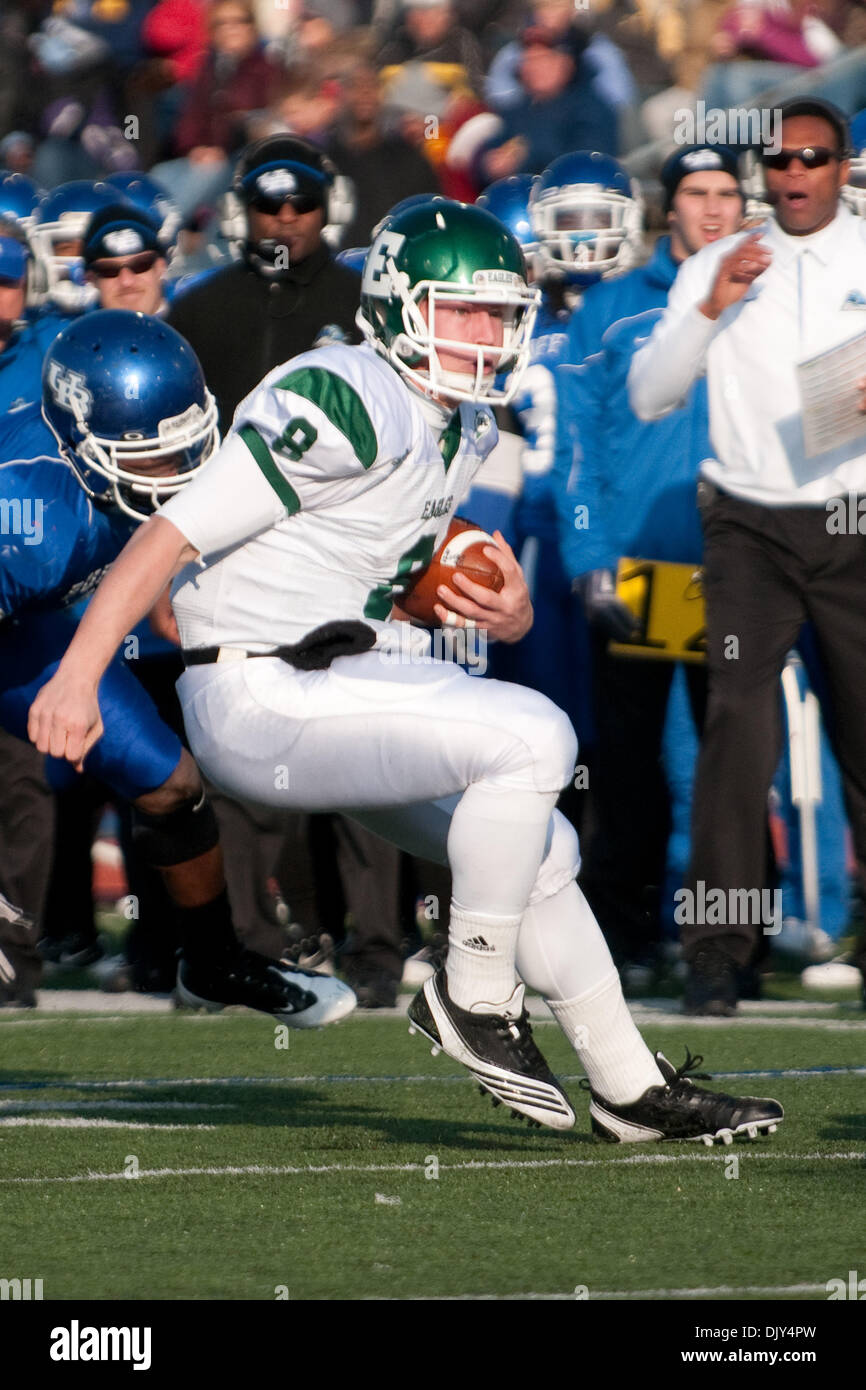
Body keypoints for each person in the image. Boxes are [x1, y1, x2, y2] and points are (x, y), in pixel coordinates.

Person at [31, 201, 784, 1143]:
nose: (485, 333)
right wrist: (76, 674)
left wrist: (491, 605)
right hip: (257, 693)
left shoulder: (460, 423)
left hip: (345, 676)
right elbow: (169, 534)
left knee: (541, 849)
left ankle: (628, 1087)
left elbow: (376, 562)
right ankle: (469, 994)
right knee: (534, 736)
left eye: (497, 313)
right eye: (461, 310)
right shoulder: (343, 390)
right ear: (394, 305)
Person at [1, 308, 354, 1027]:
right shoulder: (25, 506)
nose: (180, 473)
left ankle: (213, 960)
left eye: (189, 447)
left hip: (29, 623)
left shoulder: (121, 469)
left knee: (168, 782)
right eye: (155, 458)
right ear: (80, 442)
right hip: (16, 613)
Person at [628, 98, 866, 1014]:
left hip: (850, 524)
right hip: (746, 529)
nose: (794, 173)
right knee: (736, 734)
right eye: (781, 159)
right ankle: (720, 956)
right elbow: (651, 393)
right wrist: (709, 311)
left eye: (814, 157)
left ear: (844, 166)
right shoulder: (718, 265)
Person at [555, 145, 746, 989]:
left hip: (748, 569)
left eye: (728, 194)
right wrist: (590, 555)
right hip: (640, 567)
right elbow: (577, 446)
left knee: (730, 768)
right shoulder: (608, 309)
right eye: (697, 194)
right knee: (628, 772)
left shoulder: (772, 300)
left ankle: (731, 951)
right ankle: (623, 944)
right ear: (667, 208)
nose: (713, 209)